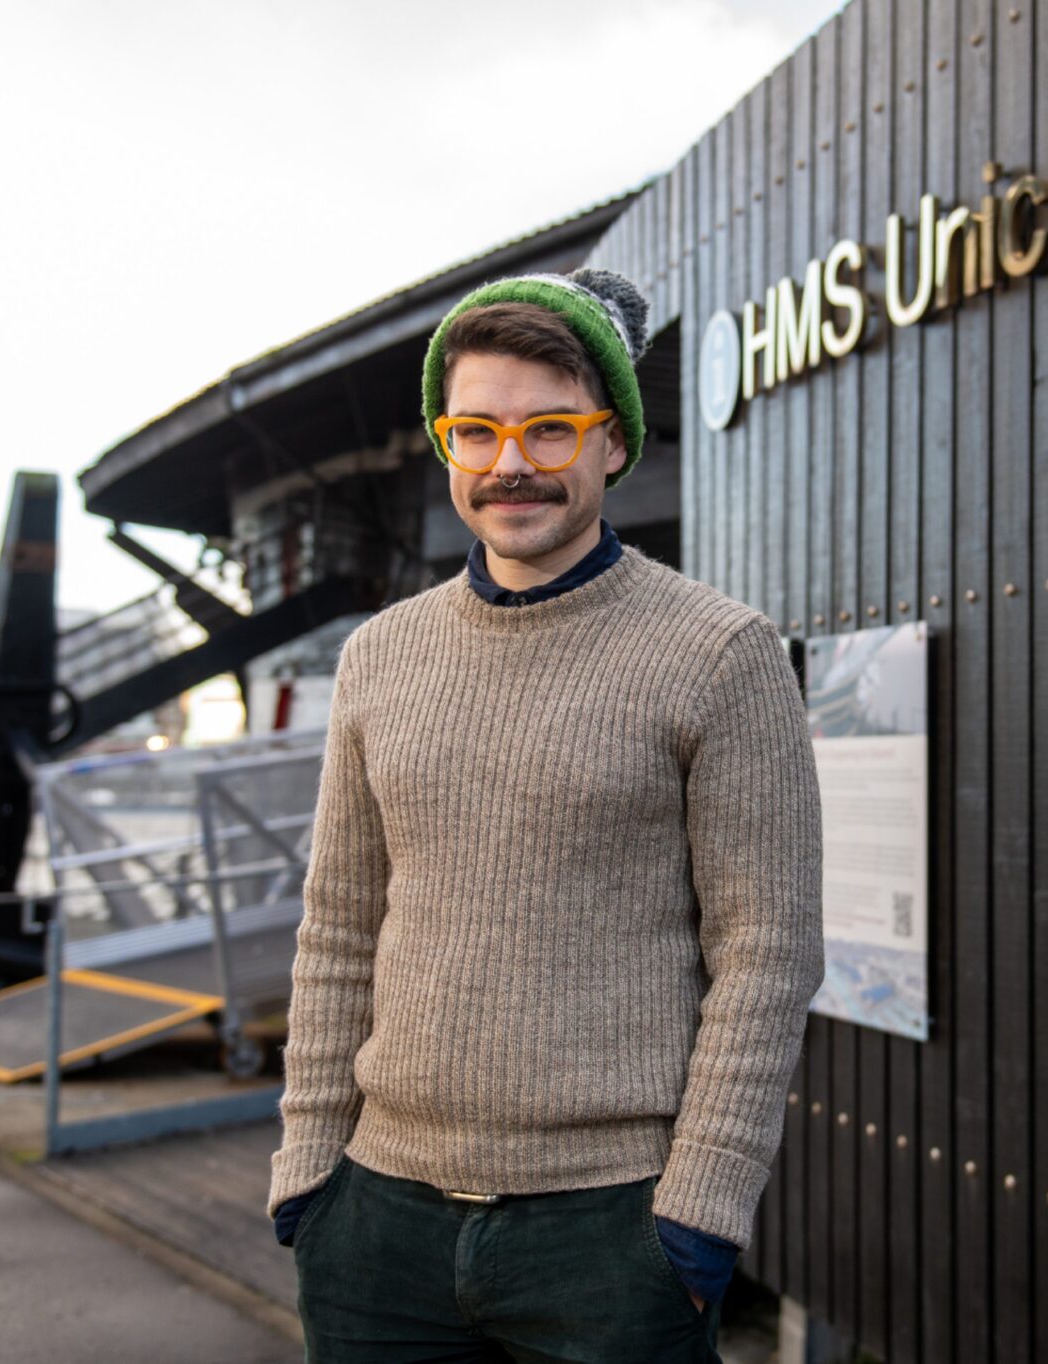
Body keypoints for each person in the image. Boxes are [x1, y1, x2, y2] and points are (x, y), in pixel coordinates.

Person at [267, 266, 825, 1363]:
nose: (510, 462)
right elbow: (336, 926)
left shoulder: (718, 652)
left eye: (549, 428)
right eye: (475, 430)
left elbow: (766, 949)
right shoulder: (379, 656)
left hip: (610, 1229)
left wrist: (697, 1209)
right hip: (376, 1222)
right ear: (446, 445)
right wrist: (308, 1169)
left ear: (612, 442)